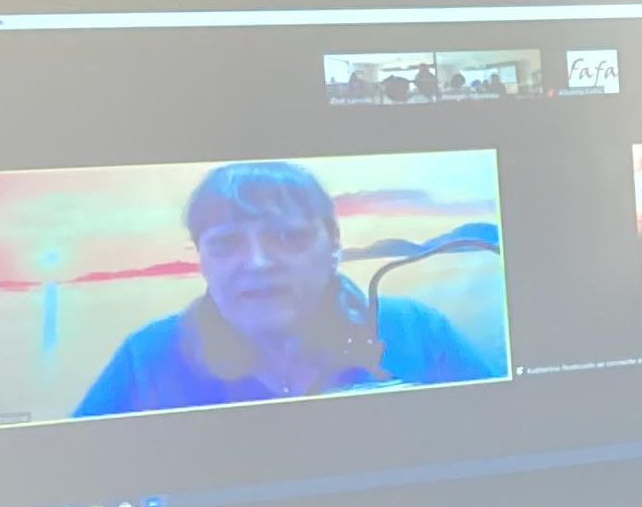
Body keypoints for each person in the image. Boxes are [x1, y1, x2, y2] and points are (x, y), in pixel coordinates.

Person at [72, 160, 493, 417]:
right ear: (202, 259)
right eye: (226, 243)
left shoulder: (416, 330)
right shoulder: (147, 357)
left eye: (288, 237)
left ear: (334, 247)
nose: (257, 262)